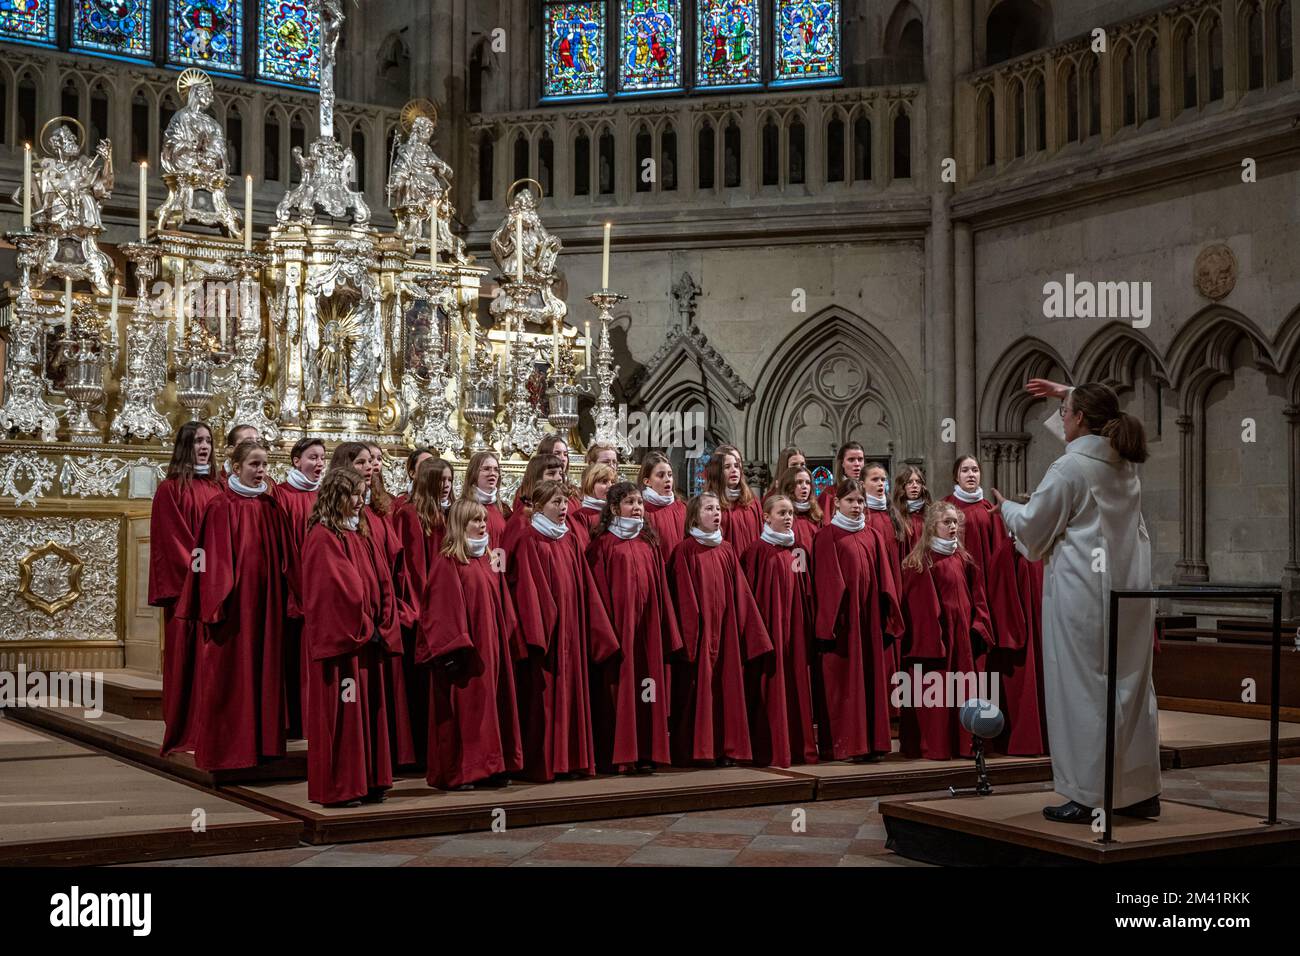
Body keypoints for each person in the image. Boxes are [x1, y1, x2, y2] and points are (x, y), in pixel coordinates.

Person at [994, 381, 1161, 823]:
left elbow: (1032, 528)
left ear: (1079, 417)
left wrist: (1007, 507)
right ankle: (1139, 791)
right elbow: (1088, 427)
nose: (1059, 419)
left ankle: (1087, 795)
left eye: (1063, 411)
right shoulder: (1123, 464)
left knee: (1082, 691)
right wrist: (1068, 390)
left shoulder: (1069, 469)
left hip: (1083, 596)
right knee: (1131, 688)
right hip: (1130, 595)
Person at [177, 438, 289, 771]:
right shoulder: (220, 506)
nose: (261, 471)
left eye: (265, 465)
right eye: (255, 464)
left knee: (263, 675)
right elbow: (207, 561)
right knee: (231, 677)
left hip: (266, 608)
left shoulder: (270, 507)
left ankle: (263, 747)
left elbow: (285, 559)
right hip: (233, 611)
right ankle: (228, 750)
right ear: (236, 467)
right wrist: (213, 605)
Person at [301, 468, 402, 806]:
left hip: (368, 641)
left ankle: (371, 779)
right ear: (336, 497)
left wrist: (383, 622)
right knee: (345, 709)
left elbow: (382, 579)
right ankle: (343, 785)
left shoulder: (359, 534)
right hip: (344, 646)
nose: (361, 502)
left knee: (369, 708)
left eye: (363, 494)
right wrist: (363, 626)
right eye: (355, 495)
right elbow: (334, 591)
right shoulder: (322, 537)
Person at [508, 479, 619, 781]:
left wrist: (592, 627)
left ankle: (572, 760)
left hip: (573, 629)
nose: (563, 508)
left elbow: (585, 587)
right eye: (556, 503)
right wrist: (543, 630)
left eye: (565, 503)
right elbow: (528, 591)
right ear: (539, 506)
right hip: (548, 636)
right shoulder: (529, 540)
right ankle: (544, 764)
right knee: (544, 700)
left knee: (572, 695)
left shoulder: (568, 539)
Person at [417, 500, 524, 790]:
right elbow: (440, 609)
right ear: (459, 526)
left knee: (492, 707)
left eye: (482, 520)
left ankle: (492, 766)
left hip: (491, 648)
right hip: (464, 653)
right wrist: (454, 649)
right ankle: (463, 771)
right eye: (474, 521)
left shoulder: (487, 560)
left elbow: (502, 605)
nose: (481, 525)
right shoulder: (448, 562)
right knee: (468, 711)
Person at [945, 454, 1045, 756]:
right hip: (965, 594)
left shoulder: (991, 511)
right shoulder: (949, 510)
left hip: (995, 597)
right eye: (965, 469)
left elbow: (1002, 557)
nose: (971, 474)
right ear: (956, 475)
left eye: (975, 469)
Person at [668, 492, 773, 766]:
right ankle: (699, 750)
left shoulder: (726, 549)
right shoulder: (685, 551)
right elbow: (682, 598)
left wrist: (748, 633)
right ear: (694, 515)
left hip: (726, 632)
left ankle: (727, 748)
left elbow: (741, 593)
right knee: (698, 690)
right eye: (709, 509)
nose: (716, 513)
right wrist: (690, 639)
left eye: (718, 509)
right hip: (700, 635)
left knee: (726, 689)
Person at [587, 482, 682, 772]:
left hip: (646, 632)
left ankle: (646, 752)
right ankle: (621, 757)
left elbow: (660, 590)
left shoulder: (647, 543)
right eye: (630, 502)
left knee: (648, 689)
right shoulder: (602, 546)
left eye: (640, 502)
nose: (638, 508)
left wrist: (666, 630)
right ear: (615, 509)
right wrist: (607, 636)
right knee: (620, 692)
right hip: (619, 634)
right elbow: (596, 596)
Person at [812, 478, 904, 761]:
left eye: (860, 501)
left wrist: (887, 616)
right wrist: (832, 622)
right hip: (844, 625)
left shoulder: (873, 535)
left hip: (870, 622)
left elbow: (885, 580)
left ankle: (874, 743)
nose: (856, 506)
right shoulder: (827, 536)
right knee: (845, 684)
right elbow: (826, 583)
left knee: (871, 681)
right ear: (837, 502)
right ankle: (847, 745)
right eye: (850, 500)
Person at [151, 421, 224, 756]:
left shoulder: (218, 488)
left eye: (208, 440)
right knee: (186, 665)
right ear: (185, 446)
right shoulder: (170, 490)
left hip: (218, 592)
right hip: (189, 596)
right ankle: (187, 731)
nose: (204, 446)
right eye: (197, 441)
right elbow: (175, 543)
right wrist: (203, 580)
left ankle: (213, 730)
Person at [898, 502, 992, 760]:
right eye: (946, 522)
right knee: (937, 693)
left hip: (963, 636)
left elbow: (978, 596)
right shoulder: (920, 561)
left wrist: (978, 624)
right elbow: (918, 607)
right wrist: (935, 636)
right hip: (939, 638)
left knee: (962, 691)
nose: (952, 527)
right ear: (931, 528)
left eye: (955, 522)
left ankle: (964, 744)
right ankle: (936, 746)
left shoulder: (963, 558)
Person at [741, 494, 818, 767]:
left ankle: (799, 747)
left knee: (796, 684)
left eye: (791, 514)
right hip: (769, 630)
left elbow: (805, 591)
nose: (788, 518)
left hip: (794, 630)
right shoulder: (756, 551)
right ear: (766, 517)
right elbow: (748, 598)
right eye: (782, 513)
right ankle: (771, 749)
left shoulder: (798, 550)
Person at [391, 457, 454, 766]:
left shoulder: (452, 514)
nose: (447, 486)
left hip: (448, 608)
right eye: (441, 481)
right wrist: (422, 610)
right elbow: (410, 570)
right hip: (423, 612)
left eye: (450, 481)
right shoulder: (409, 515)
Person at [276, 437, 327, 739]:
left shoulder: (323, 497)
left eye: (322, 458)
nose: (319, 464)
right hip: (293, 589)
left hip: (319, 589)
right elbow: (284, 548)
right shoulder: (281, 496)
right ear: (296, 460)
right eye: (312, 457)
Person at [704, 444, 763, 558]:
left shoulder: (752, 501)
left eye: (737, 465)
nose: (734, 470)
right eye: (727, 467)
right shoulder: (708, 503)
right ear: (717, 471)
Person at [638, 452, 685, 561]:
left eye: (670, 474)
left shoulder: (682, 507)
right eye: (660, 475)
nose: (667, 479)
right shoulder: (642, 510)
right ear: (647, 481)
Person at [460, 451, 511, 548]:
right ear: (474, 473)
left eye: (496, 470)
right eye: (486, 469)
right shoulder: (462, 508)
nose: (492, 473)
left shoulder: (504, 509)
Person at [777, 465, 822, 555]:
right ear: (789, 486)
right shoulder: (780, 515)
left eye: (808, 483)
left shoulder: (815, 515)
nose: (804, 486)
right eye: (799, 482)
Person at [818, 441, 865, 521]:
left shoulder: (869, 491)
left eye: (860, 459)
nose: (857, 464)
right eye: (851, 460)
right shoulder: (829, 494)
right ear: (842, 463)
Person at [893, 465, 930, 552]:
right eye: (909, 482)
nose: (915, 485)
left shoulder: (930, 513)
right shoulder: (894, 515)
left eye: (918, 482)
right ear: (902, 486)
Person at [573, 461, 616, 536]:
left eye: (612, 482)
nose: (610, 486)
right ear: (591, 484)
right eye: (604, 482)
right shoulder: (581, 515)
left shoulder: (615, 512)